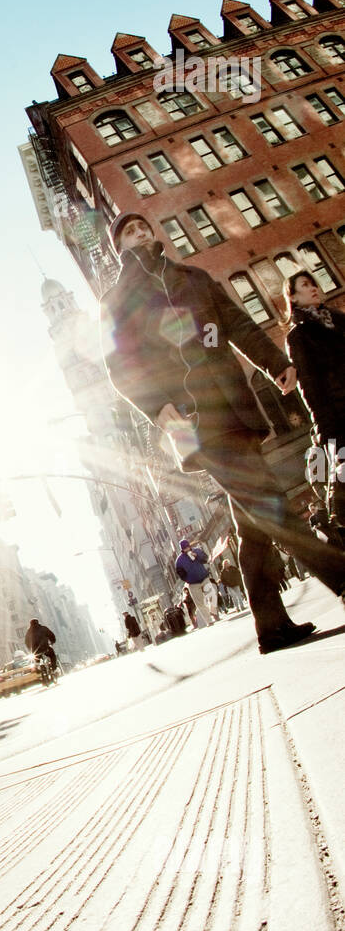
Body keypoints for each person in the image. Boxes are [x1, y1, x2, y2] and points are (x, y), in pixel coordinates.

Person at [100, 214, 345, 654]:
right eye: (128, 232)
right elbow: (119, 366)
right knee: (272, 504)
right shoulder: (119, 299)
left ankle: (271, 626)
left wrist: (275, 363)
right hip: (195, 424)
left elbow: (237, 323)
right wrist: (158, 406)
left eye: (143, 228)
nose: (140, 234)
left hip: (235, 406)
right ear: (119, 246)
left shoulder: (193, 277)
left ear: (154, 234)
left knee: (252, 524)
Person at [284, 270, 345, 528]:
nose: (314, 288)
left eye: (313, 283)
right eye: (305, 285)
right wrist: (327, 430)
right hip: (340, 419)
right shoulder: (298, 337)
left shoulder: (340, 320)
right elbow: (309, 388)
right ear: (294, 298)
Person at [174, 539, 213, 627]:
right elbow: (180, 573)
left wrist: (197, 556)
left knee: (212, 597)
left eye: (188, 547)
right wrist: (188, 580)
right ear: (182, 549)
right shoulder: (179, 561)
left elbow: (206, 559)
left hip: (204, 578)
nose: (187, 549)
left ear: (190, 546)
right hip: (193, 584)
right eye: (185, 548)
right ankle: (209, 621)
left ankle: (214, 613)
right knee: (200, 604)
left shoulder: (197, 551)